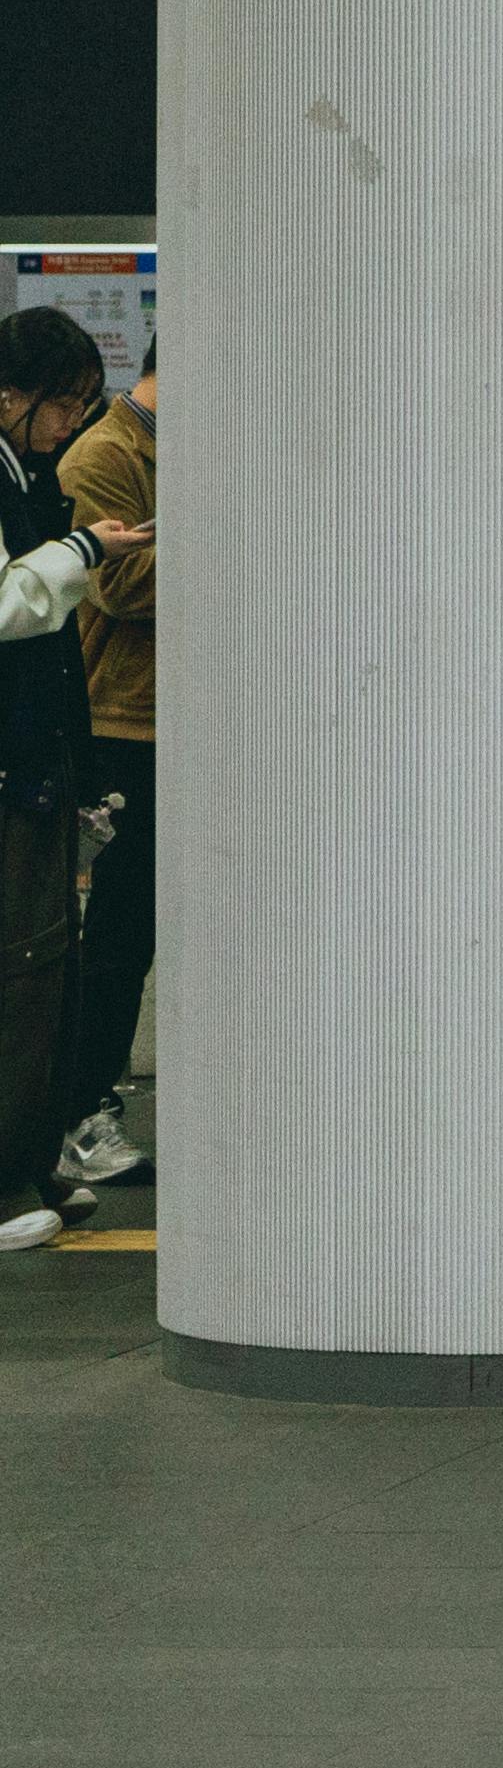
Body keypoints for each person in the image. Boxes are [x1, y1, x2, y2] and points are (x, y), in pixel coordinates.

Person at [0, 311, 129, 1263]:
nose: (70, 426)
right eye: (65, 405)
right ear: (14, 393)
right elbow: (6, 602)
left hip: (36, 760)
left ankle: (30, 1160)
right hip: (12, 759)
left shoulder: (25, 471)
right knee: (16, 969)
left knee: (44, 965)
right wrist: (82, 554)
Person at [48, 361, 149, 1211]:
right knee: (115, 933)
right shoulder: (103, 455)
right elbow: (115, 583)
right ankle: (77, 1112)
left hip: (176, 721)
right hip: (121, 727)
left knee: (137, 929)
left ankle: (86, 1106)